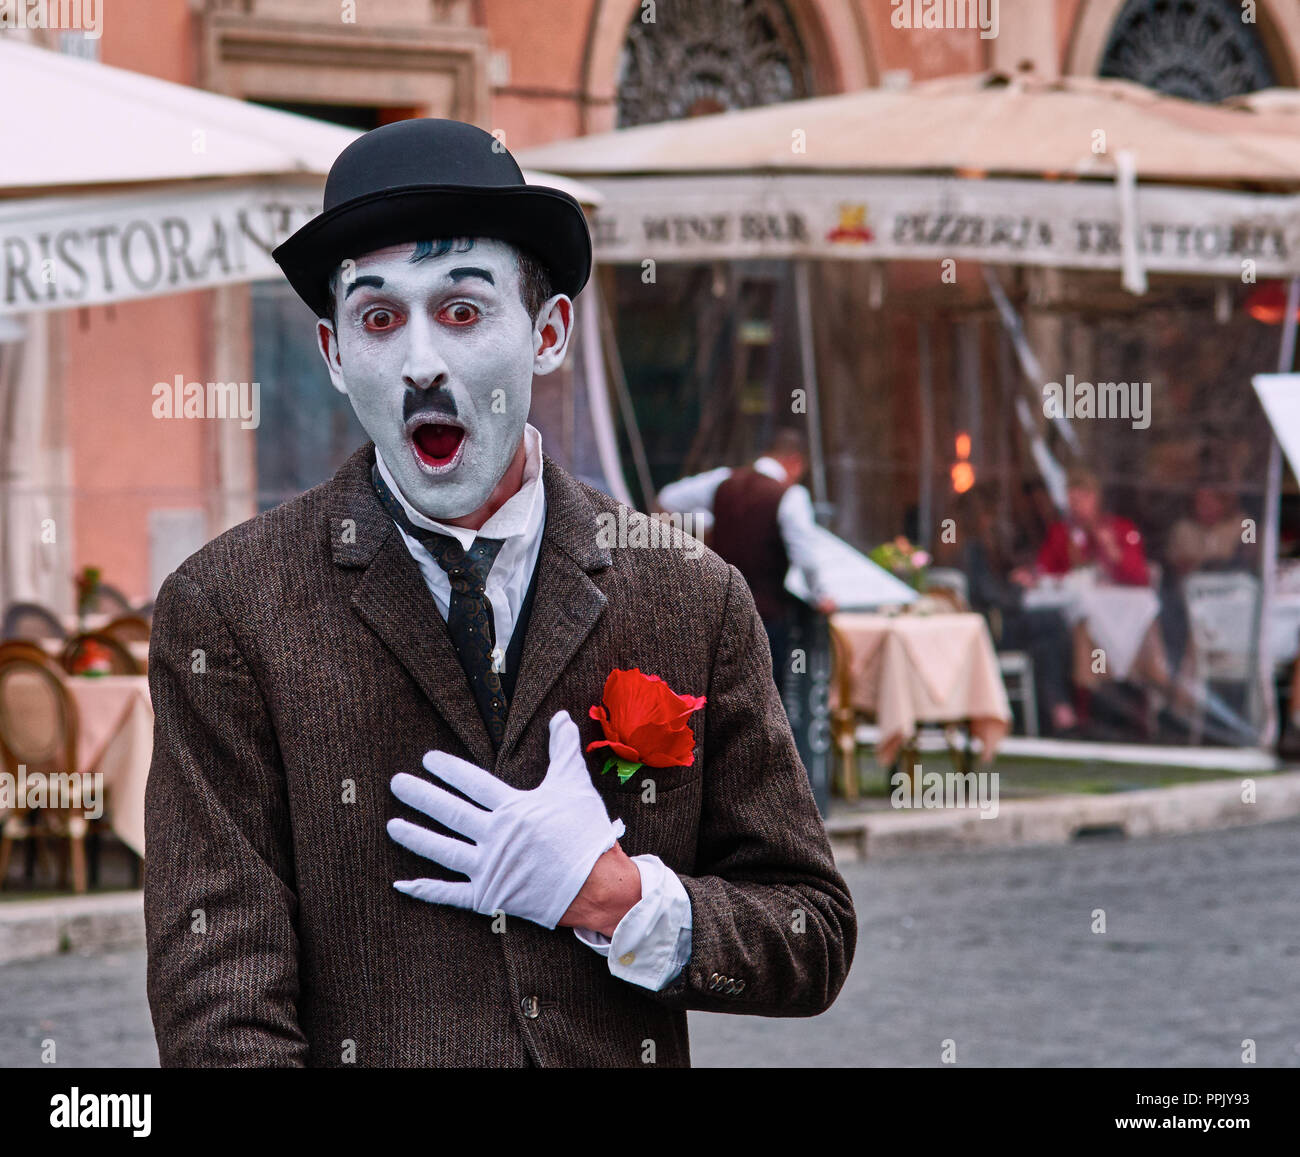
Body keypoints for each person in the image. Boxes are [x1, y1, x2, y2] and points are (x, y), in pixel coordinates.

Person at [142, 119, 854, 1068]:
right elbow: (217, 1000)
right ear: (332, 352)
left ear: (548, 331)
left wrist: (618, 896)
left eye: (465, 311)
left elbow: (810, 934)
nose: (421, 361)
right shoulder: (228, 609)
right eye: (379, 318)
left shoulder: (691, 595)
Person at [657, 429, 834, 683]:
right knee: (765, 698)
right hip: (765, 617)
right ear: (795, 462)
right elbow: (805, 558)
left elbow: (668, 499)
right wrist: (821, 595)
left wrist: (704, 531)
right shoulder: (791, 496)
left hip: (718, 612)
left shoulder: (723, 481)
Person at [1035, 468, 1150, 586]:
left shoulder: (1122, 528)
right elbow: (1043, 571)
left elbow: (1141, 577)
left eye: (1084, 498)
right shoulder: (1059, 533)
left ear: (1097, 498)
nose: (1078, 505)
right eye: (1073, 500)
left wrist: (1113, 550)